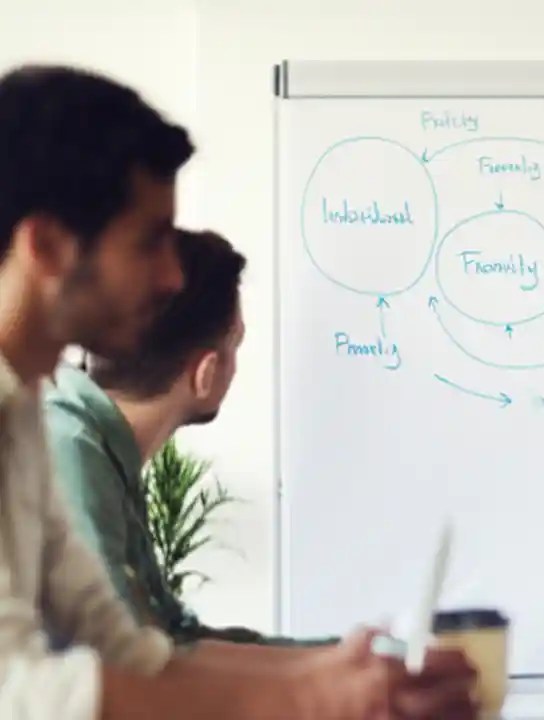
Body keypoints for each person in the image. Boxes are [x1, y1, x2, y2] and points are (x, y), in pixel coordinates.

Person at [0, 63, 475, 719]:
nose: (172, 277)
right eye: (150, 244)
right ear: (48, 247)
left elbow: (129, 651)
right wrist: (317, 693)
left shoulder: (24, 416)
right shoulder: (49, 431)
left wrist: (343, 673)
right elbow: (23, 692)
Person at [45, 228, 331, 648]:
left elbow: (176, 640)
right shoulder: (69, 453)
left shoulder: (94, 445)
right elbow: (126, 675)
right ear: (206, 373)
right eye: (236, 343)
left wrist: (340, 660)